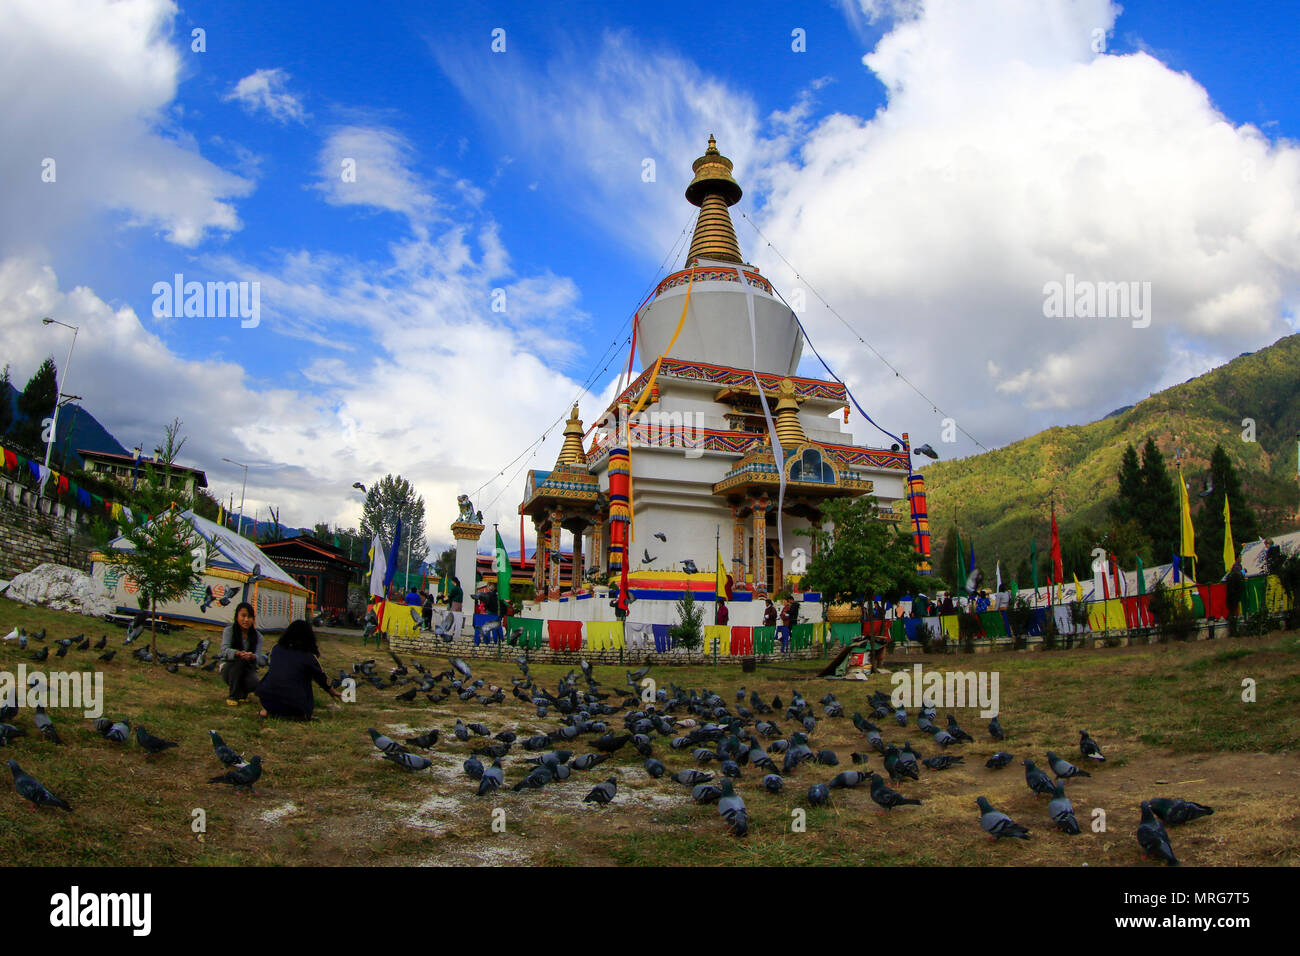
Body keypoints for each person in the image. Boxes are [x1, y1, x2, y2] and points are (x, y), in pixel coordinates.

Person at [254, 620, 341, 720]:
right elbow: (321, 678)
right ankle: (301, 716)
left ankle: (265, 711)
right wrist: (332, 692)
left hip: (267, 700)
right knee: (304, 684)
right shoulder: (308, 657)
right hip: (294, 706)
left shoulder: (276, 649)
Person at [219, 602, 267, 705]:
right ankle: (233, 696)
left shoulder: (258, 637)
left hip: (248, 668)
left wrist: (252, 656)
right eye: (243, 616)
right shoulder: (229, 631)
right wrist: (237, 653)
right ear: (237, 616)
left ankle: (242, 693)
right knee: (239, 662)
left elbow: (259, 658)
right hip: (229, 668)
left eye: (249, 617)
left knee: (254, 683)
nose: (246, 620)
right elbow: (224, 651)